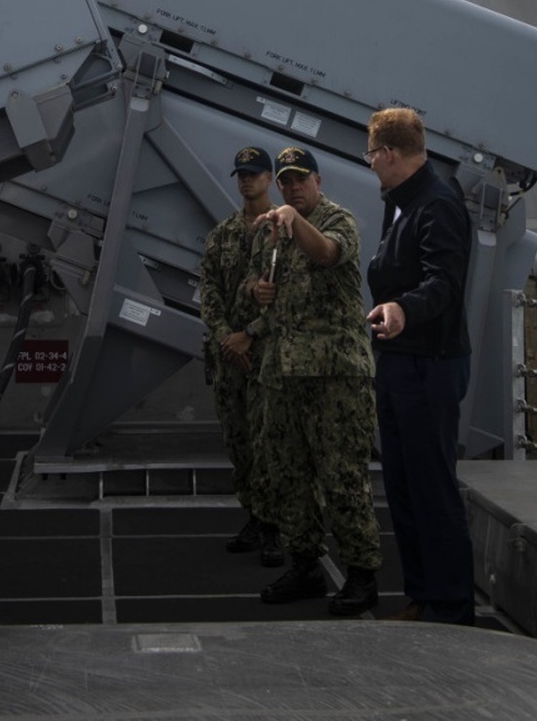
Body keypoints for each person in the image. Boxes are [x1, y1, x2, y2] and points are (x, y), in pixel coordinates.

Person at [249, 145, 382, 614]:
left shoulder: (336, 220)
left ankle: (363, 575)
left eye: (300, 179)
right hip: (284, 374)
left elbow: (327, 254)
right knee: (290, 476)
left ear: (318, 182)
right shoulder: (271, 230)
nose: (292, 187)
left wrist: (291, 218)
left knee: (343, 478)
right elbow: (255, 284)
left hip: (334, 377)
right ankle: (304, 566)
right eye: (285, 181)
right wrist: (257, 289)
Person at [363, 107, 475, 625]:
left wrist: (403, 308)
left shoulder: (438, 205)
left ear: (387, 153)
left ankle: (450, 608)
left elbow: (445, 284)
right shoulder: (403, 203)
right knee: (405, 487)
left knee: (432, 488)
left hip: (428, 367)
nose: (371, 166)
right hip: (400, 363)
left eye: (371, 156)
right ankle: (421, 595)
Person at [200, 146, 282, 567]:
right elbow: (209, 293)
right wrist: (226, 339)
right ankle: (254, 517)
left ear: (270, 178)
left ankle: (274, 528)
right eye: (241, 175)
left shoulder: (284, 231)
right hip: (231, 358)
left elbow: (289, 298)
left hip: (268, 359)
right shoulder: (223, 234)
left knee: (270, 446)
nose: (246, 181)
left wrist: (251, 335)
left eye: (253, 174)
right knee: (240, 445)